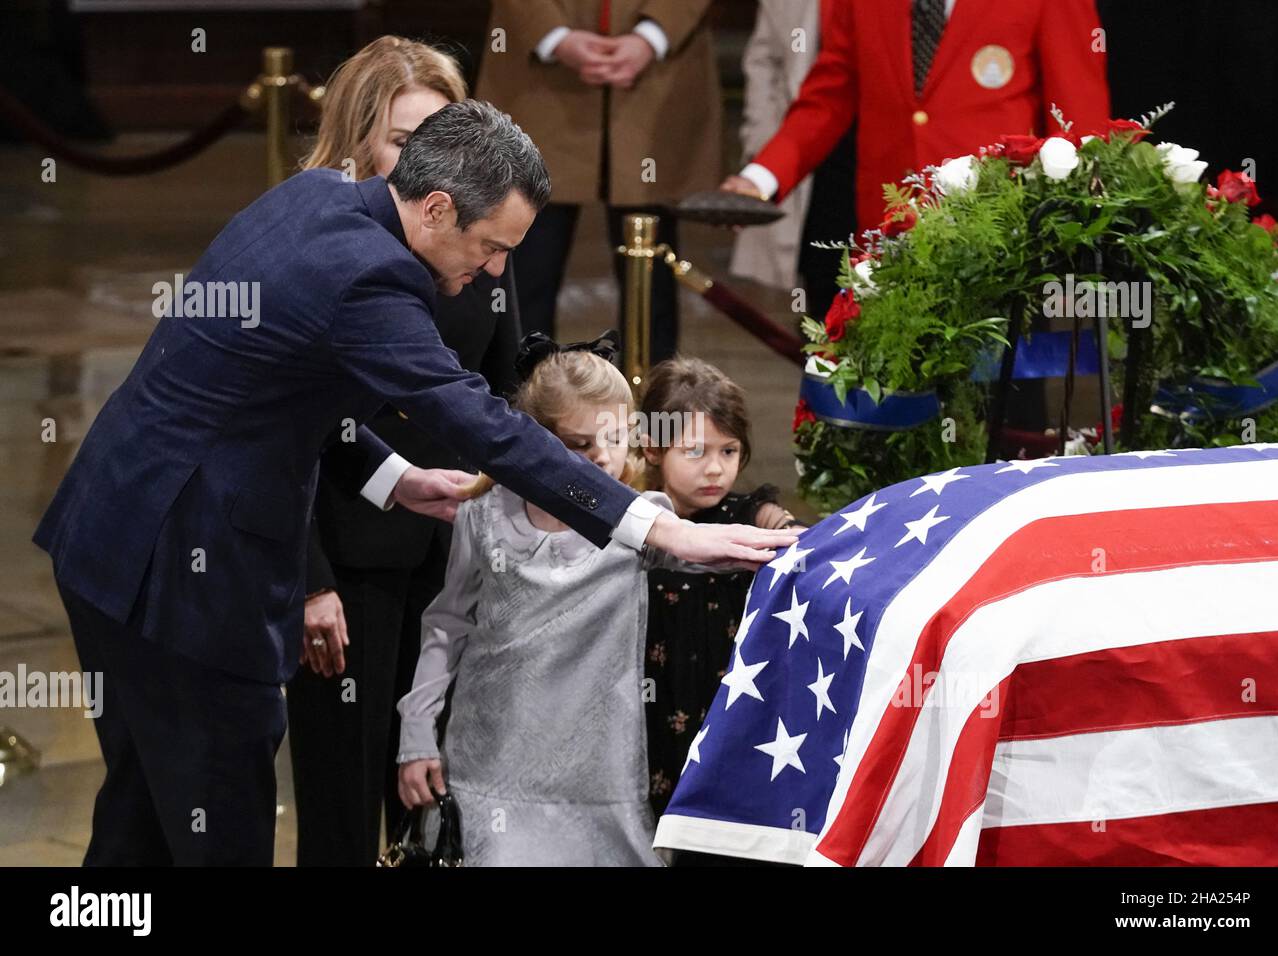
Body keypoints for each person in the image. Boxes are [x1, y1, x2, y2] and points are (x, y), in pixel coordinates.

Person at [33, 99, 798, 866]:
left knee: (138, 819)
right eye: (492, 246)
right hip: (185, 577)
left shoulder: (319, 196)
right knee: (217, 825)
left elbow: (274, 391)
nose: (498, 271)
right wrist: (655, 524)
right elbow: (480, 422)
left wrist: (394, 478)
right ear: (435, 208)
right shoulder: (372, 279)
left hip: (109, 536)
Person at [286, 36, 524, 867]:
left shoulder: (480, 236)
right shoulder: (318, 240)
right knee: (346, 799)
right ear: (359, 140)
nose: (431, 162)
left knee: (439, 788)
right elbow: (288, 433)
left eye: (445, 138)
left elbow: (502, 392)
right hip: (347, 568)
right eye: (405, 139)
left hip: (453, 558)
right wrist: (310, 580)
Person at [396, 341, 723, 866]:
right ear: (533, 443)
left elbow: (719, 551)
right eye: (578, 444)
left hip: (599, 780)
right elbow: (447, 623)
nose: (599, 457)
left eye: (614, 438)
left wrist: (802, 541)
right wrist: (417, 731)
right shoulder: (485, 513)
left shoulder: (644, 520)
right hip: (488, 767)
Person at [722, 0, 1111, 234]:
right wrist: (761, 178)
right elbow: (828, 96)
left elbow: (1079, 120)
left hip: (997, 241)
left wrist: (1079, 223)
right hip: (887, 238)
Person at [474, 0, 723, 363]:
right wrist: (553, 36)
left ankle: (651, 408)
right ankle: (514, 407)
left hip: (656, 79)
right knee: (522, 274)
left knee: (651, 287)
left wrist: (651, 37)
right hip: (536, 80)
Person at [638, 358, 800, 818]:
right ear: (652, 449)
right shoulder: (635, 519)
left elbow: (792, 533)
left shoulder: (749, 513)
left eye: (728, 451)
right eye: (696, 452)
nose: (715, 469)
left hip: (727, 697)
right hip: (651, 696)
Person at [730, 0, 857, 323]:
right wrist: (763, 169)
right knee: (826, 302)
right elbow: (829, 92)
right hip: (817, 170)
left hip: (902, 171)